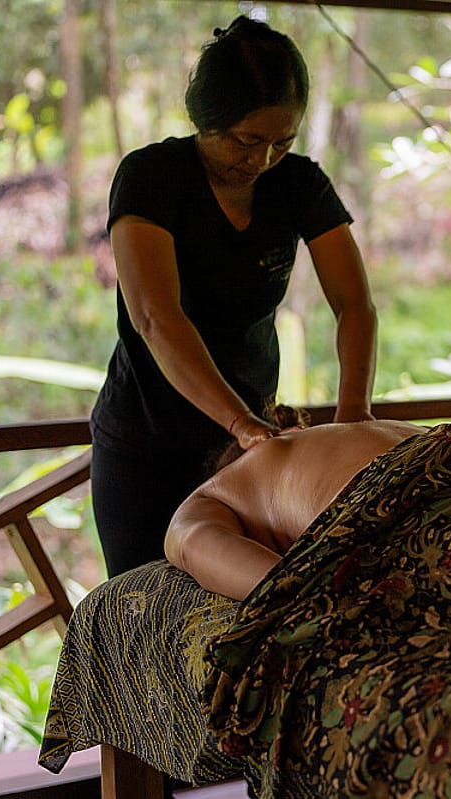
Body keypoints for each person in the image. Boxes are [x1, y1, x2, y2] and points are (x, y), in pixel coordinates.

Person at [90, 15, 378, 578]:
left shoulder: (299, 184)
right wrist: (240, 422)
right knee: (143, 607)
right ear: (208, 117)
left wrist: (354, 415)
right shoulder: (151, 178)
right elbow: (155, 317)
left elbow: (354, 305)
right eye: (247, 140)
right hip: (148, 442)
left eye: (282, 142)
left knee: (245, 602)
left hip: (245, 450)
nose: (263, 159)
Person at [165, 413, 426, 601]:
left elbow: (193, 544)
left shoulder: (214, 493)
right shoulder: (353, 431)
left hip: (395, 495)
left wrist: (319, 601)